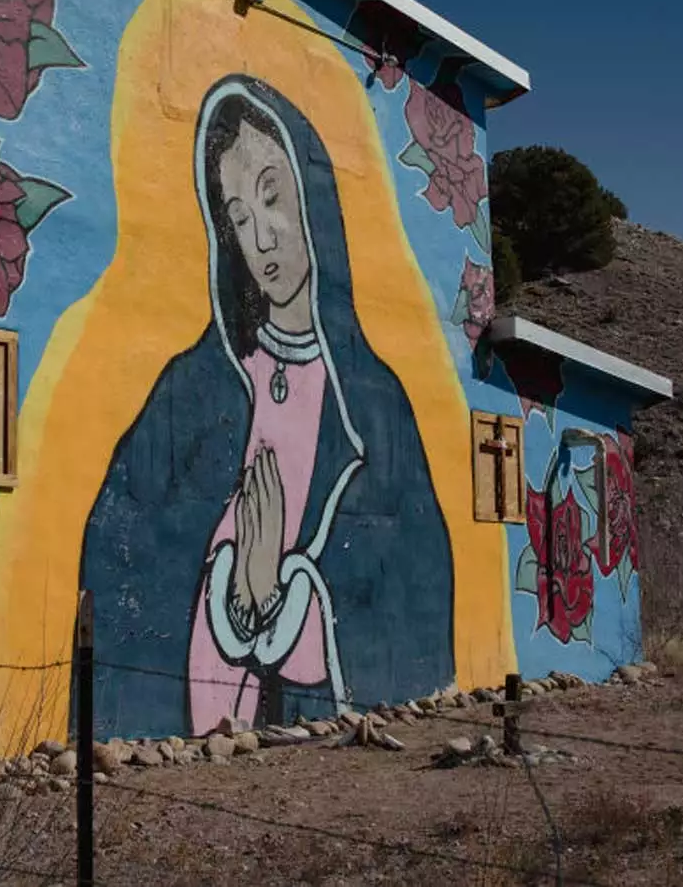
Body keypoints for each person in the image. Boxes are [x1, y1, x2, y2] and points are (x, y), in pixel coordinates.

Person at [79, 75, 454, 737]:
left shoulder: (376, 406)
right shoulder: (194, 386)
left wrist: (285, 595)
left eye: (273, 198)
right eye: (238, 216)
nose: (261, 238)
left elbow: (412, 567)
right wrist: (233, 587)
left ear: (315, 200)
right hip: (203, 728)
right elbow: (122, 543)